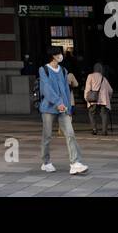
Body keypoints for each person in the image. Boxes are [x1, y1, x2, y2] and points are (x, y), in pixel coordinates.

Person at [38, 46, 89, 176]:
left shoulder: (63, 70)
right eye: (58, 54)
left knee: (70, 134)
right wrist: (58, 103)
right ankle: (46, 162)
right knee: (47, 136)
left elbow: (66, 90)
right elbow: (46, 89)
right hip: (49, 108)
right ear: (53, 56)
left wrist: (67, 107)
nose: (61, 56)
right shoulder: (43, 70)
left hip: (63, 108)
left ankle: (75, 163)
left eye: (60, 53)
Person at [83, 62, 113, 136]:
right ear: (101, 69)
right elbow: (110, 90)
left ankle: (94, 130)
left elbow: (87, 88)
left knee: (92, 113)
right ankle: (104, 131)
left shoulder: (90, 76)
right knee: (104, 114)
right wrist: (109, 97)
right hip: (103, 99)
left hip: (93, 99)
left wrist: (86, 97)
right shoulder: (104, 78)